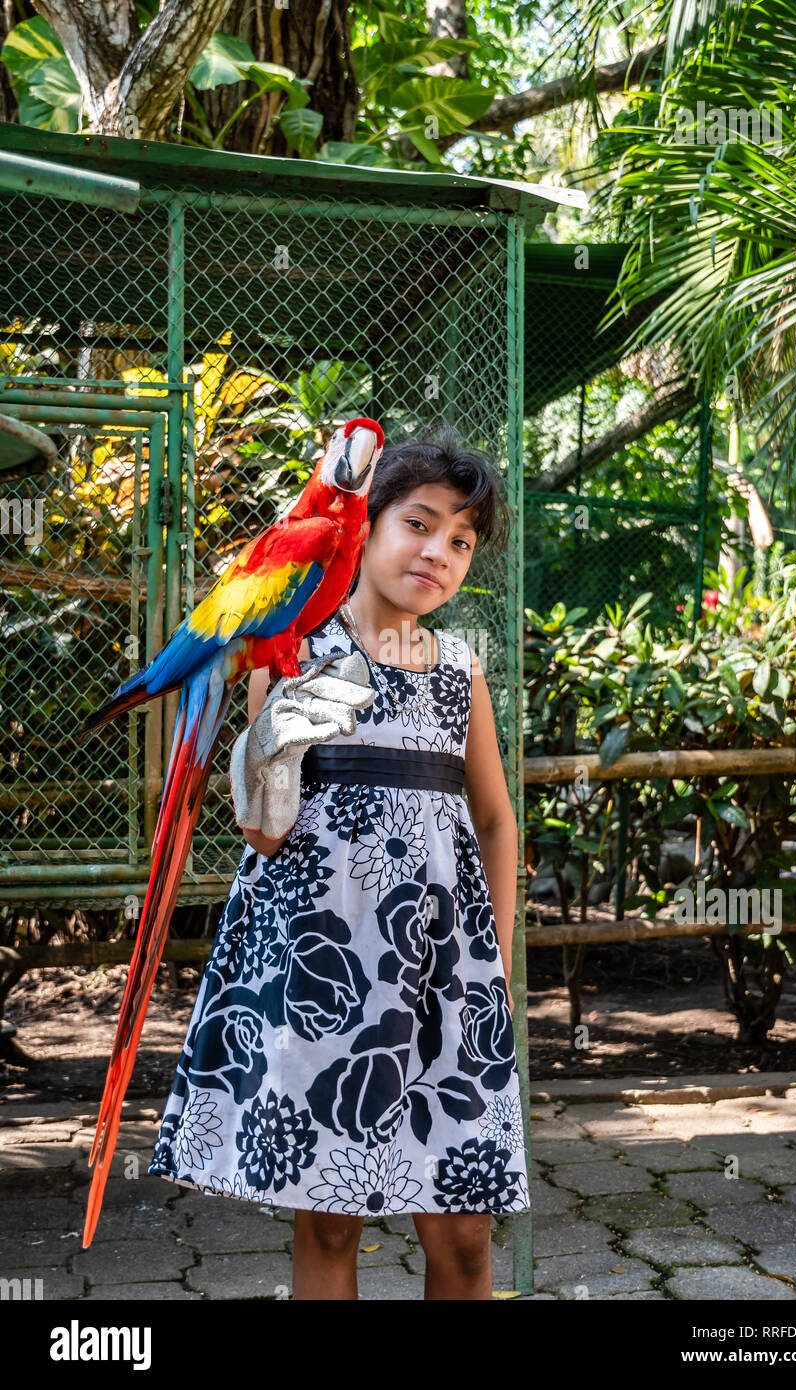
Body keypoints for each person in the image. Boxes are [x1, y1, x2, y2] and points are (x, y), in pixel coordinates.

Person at [147, 424, 530, 1300]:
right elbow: (264, 836)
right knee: (328, 1216)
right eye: (419, 523)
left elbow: (497, 820)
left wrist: (496, 963)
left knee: (467, 1230)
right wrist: (267, 755)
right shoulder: (292, 650)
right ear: (365, 524)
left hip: (442, 969)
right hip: (320, 966)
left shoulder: (458, 668)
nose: (438, 552)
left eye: (461, 541)